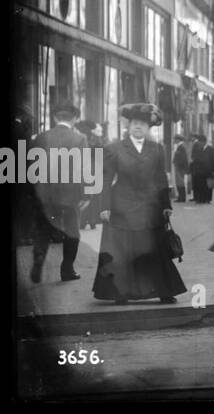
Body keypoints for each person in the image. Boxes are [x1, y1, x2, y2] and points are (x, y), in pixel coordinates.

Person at [92, 103, 186, 305]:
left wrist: (166, 204)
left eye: (142, 124)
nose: (138, 127)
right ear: (128, 126)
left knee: (155, 249)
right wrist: (104, 207)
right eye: (134, 123)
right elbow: (105, 179)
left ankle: (164, 290)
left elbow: (161, 178)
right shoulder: (114, 148)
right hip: (122, 207)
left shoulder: (157, 149)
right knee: (123, 251)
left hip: (150, 207)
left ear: (149, 128)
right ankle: (120, 292)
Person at [31, 97, 89, 283]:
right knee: (72, 231)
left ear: (55, 118)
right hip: (70, 195)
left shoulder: (41, 137)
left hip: (45, 194)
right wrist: (86, 193)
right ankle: (67, 269)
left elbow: (32, 166)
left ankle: (39, 257)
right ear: (73, 119)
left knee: (43, 229)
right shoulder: (80, 139)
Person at [189, 134, 213, 204]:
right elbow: (195, 158)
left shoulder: (210, 149)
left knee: (208, 186)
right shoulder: (198, 149)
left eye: (201, 142)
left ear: (204, 142)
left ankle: (208, 199)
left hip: (208, 170)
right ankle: (201, 199)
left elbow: (213, 160)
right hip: (200, 171)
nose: (200, 144)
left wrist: (213, 170)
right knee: (201, 185)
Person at [171, 135, 189, 202]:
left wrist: (177, 164)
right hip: (179, 167)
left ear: (178, 139)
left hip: (180, 168)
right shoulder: (179, 147)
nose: (174, 140)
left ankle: (182, 197)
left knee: (180, 183)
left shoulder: (181, 147)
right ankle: (180, 197)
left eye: (175, 139)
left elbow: (182, 158)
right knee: (179, 182)